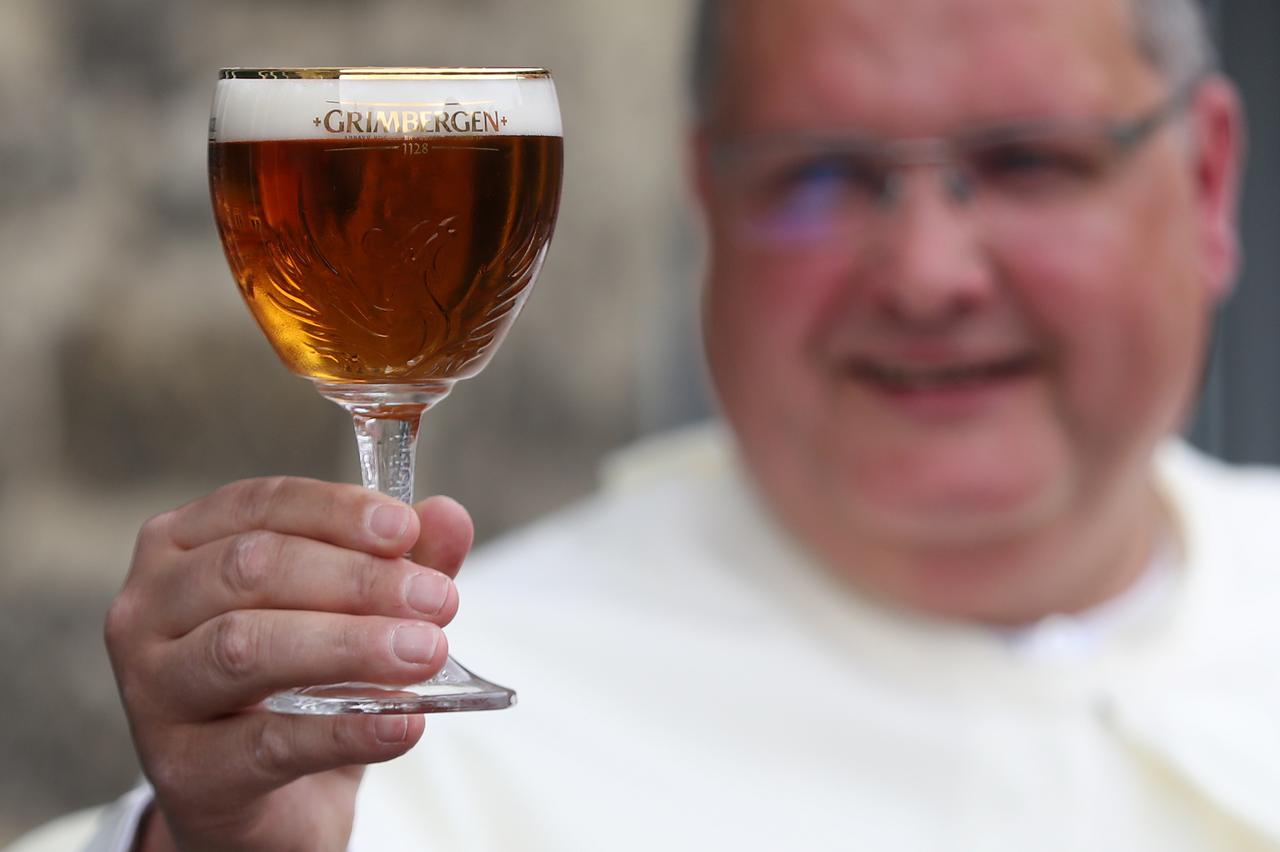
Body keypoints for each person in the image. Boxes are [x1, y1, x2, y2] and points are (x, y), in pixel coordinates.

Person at [41, 0, 1280, 849]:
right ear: (706, 204)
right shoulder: (394, 733)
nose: (926, 274)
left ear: (1208, 181)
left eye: (1027, 163)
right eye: (819, 174)